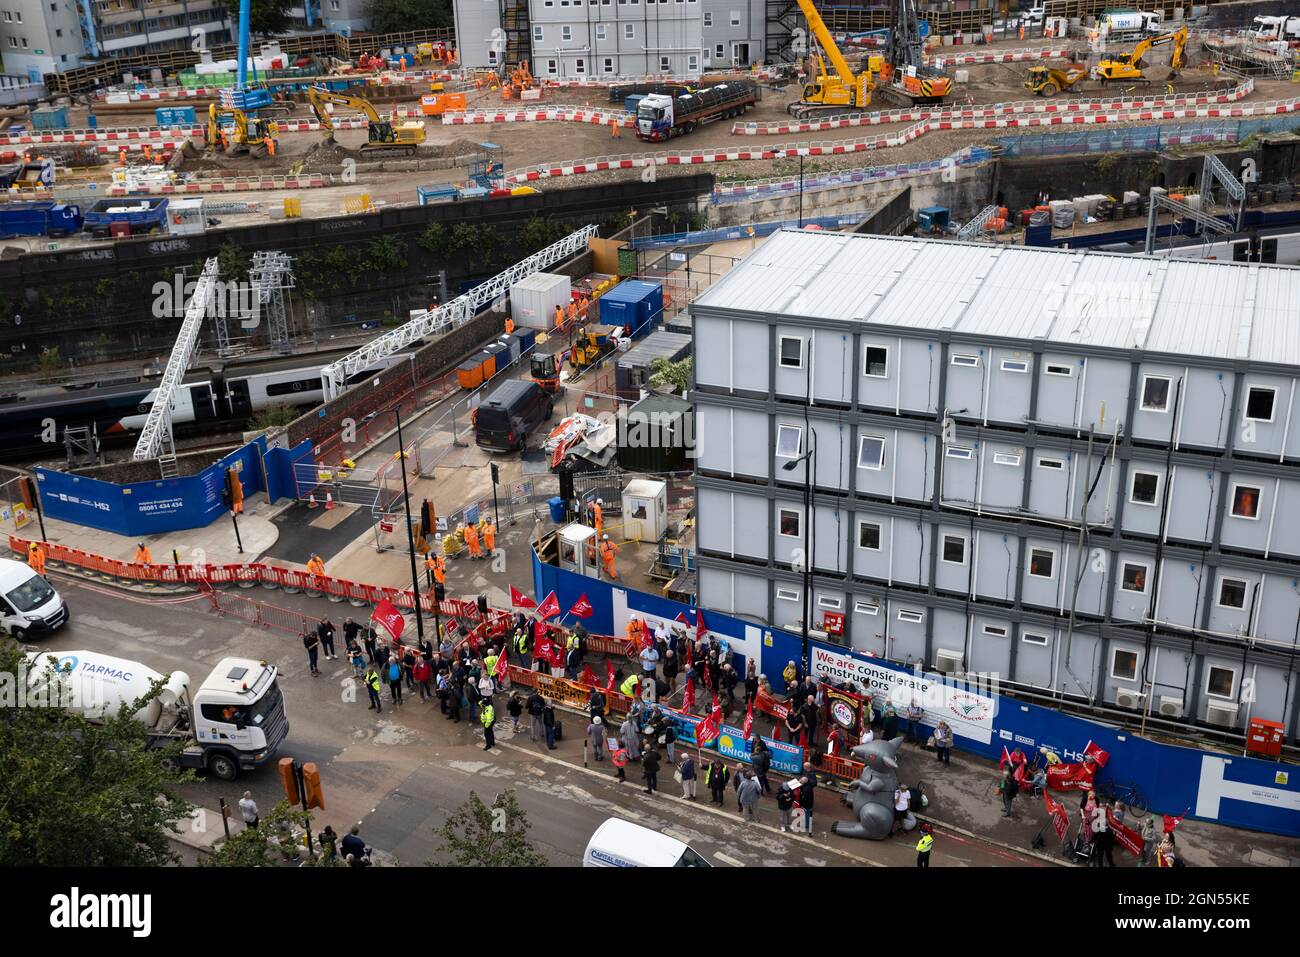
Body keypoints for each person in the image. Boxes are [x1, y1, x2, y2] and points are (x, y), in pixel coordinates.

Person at [1091, 801, 1115, 867]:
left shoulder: (1099, 830)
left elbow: (1095, 836)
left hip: (1100, 845)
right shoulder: (1110, 831)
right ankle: (1111, 864)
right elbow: (1113, 839)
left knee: (1100, 857)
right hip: (1108, 846)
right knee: (1109, 855)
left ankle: (1100, 865)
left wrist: (1092, 841)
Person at [800, 764, 817, 832]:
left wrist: (801, 803)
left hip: (807, 802)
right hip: (810, 801)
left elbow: (814, 783)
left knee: (806, 812)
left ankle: (806, 824)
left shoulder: (811, 775)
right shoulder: (806, 773)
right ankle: (808, 822)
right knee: (809, 812)